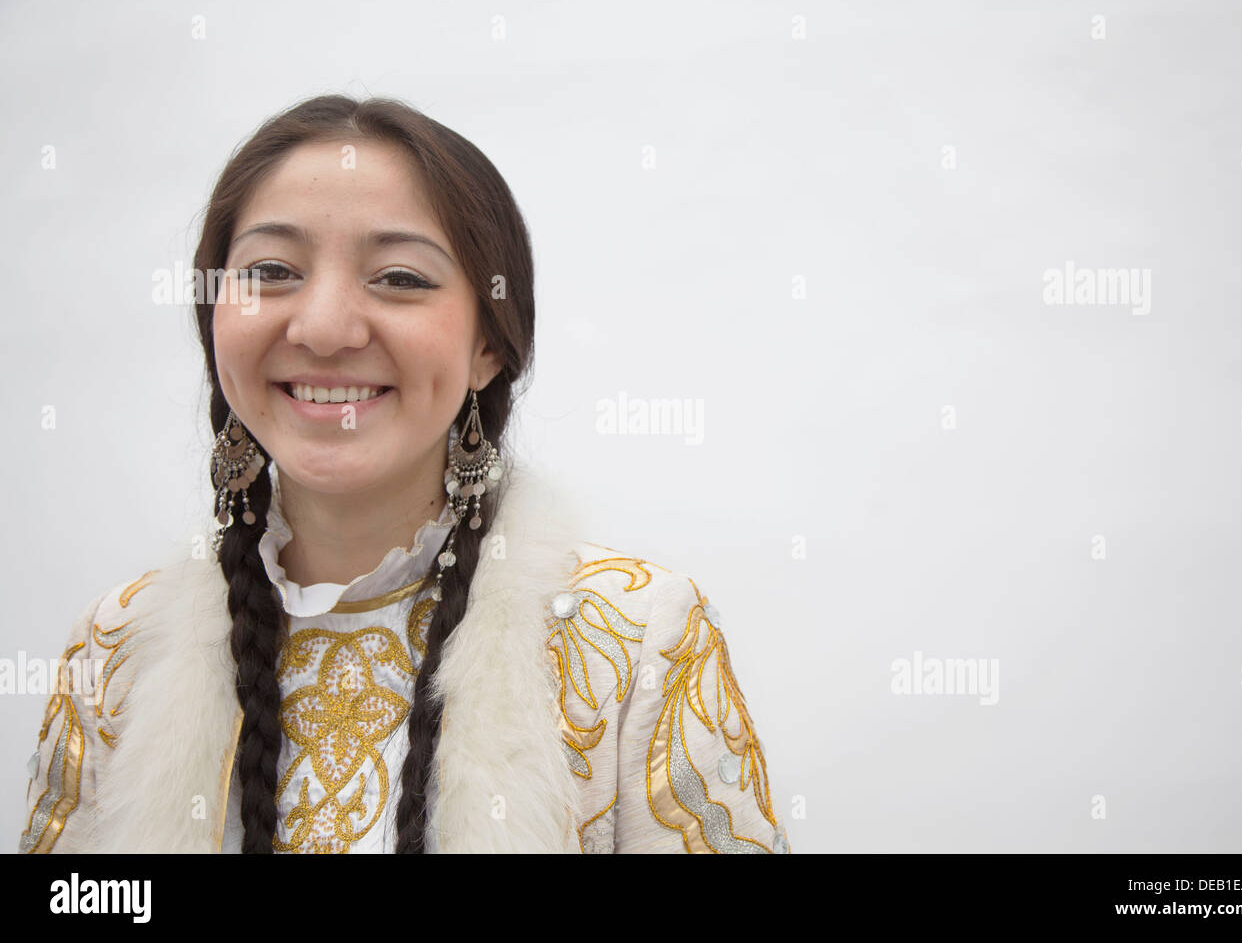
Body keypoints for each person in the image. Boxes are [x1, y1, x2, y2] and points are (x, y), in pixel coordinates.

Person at [18, 94, 791, 854]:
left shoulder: (638, 641)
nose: (323, 328)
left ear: (489, 344)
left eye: (398, 278)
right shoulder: (117, 649)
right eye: (273, 269)